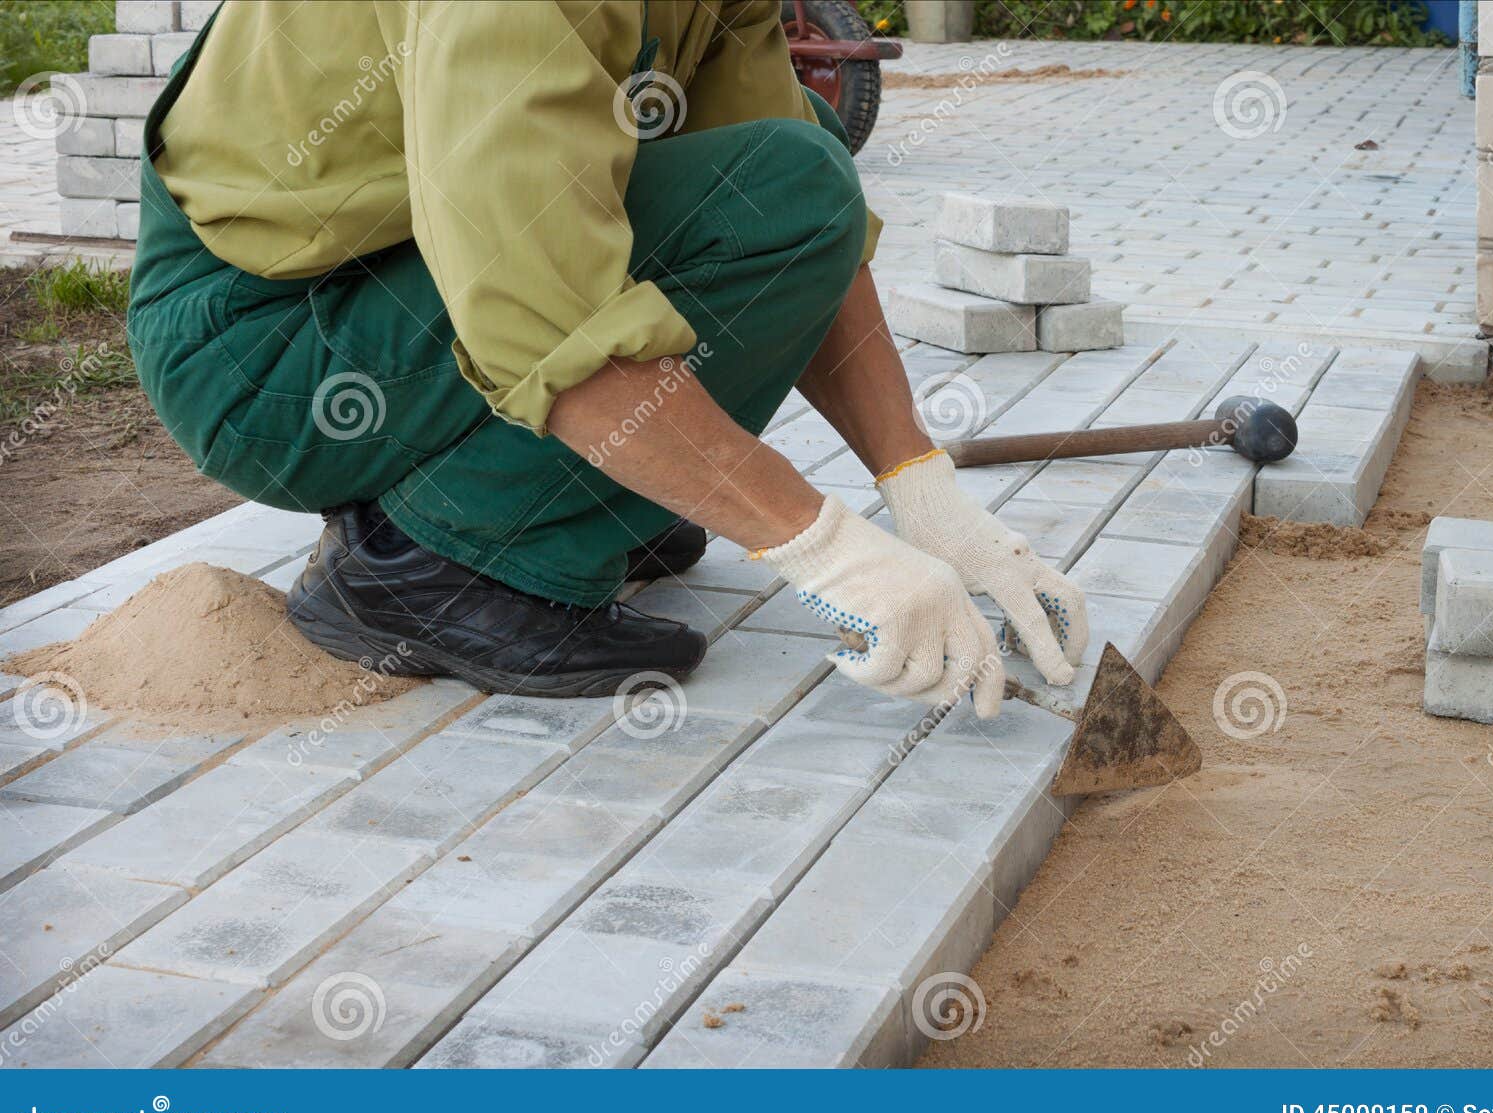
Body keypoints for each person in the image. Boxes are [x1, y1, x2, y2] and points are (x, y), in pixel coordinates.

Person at [128, 0, 1087, 718]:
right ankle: (428, 564)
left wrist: (920, 487)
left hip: (380, 267)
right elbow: (540, 314)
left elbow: (801, 197)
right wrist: (823, 547)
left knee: (795, 154)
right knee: (768, 196)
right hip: (263, 344)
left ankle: (562, 500)